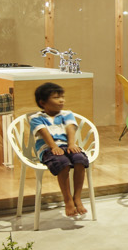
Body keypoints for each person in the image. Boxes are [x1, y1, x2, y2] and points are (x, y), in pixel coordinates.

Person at [29, 82, 90, 217]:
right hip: (47, 148)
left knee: (80, 159)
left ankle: (77, 197)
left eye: (62, 97)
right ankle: (68, 199)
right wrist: (54, 147)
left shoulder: (67, 114)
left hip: (67, 144)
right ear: (43, 102)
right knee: (62, 163)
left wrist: (72, 144)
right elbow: (44, 133)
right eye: (56, 97)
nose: (61, 100)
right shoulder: (36, 118)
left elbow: (70, 128)